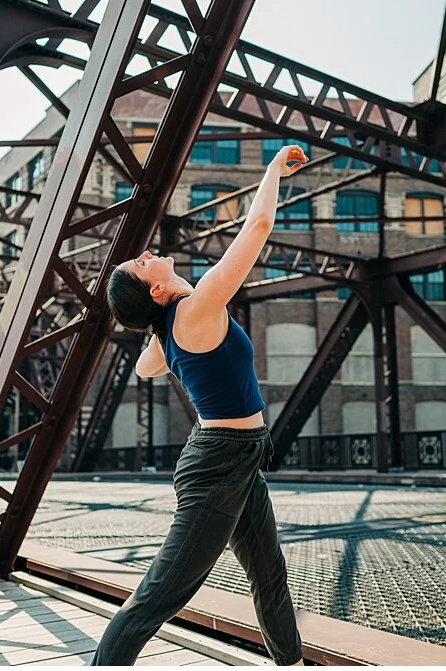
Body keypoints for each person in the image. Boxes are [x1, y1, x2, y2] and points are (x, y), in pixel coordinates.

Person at [97, 145, 310, 666]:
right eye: (141, 263)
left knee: (268, 572)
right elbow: (257, 227)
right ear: (154, 288)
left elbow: (150, 365)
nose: (148, 253)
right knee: (159, 597)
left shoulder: (172, 326)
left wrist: (162, 319)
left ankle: (292, 663)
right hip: (219, 462)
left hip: (234, 458)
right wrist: (271, 171)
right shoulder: (194, 311)